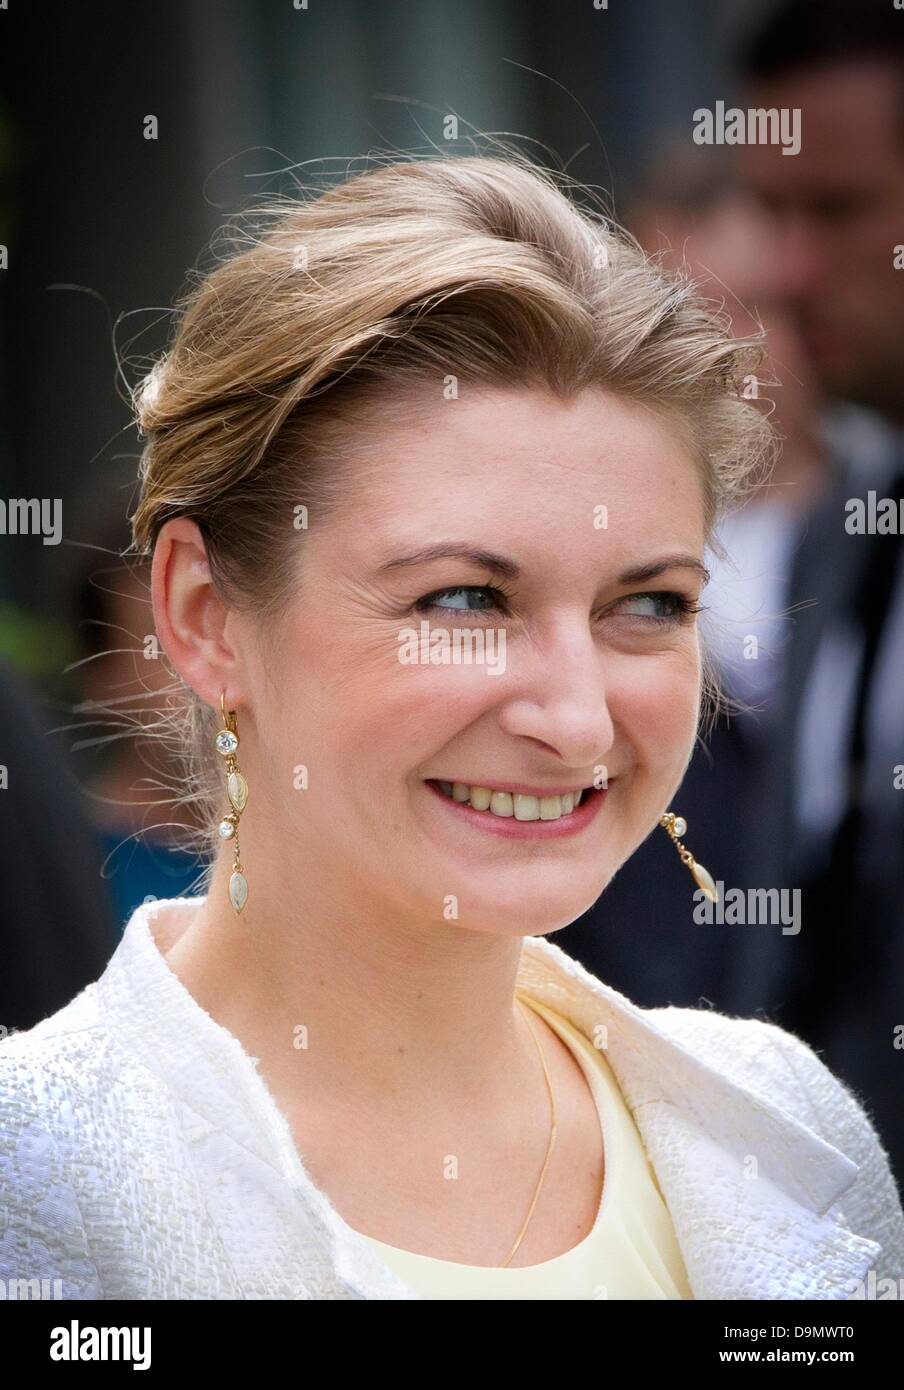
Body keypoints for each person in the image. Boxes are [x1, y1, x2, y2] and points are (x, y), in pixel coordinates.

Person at [0, 153, 901, 1301]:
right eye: (464, 600)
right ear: (204, 615)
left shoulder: (782, 1132)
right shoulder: (34, 1190)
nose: (577, 719)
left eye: (647, 604)